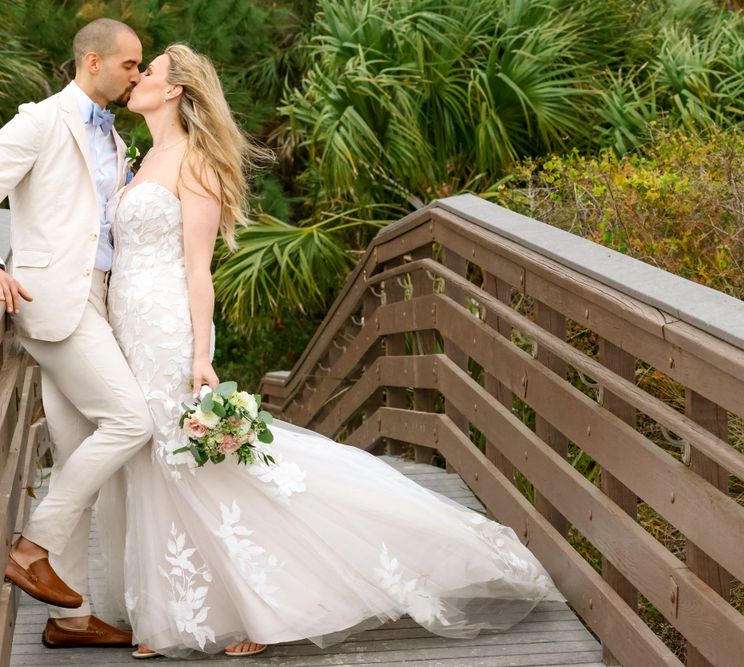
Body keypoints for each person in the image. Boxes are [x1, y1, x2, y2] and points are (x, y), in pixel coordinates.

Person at [101, 44, 567, 660]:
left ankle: (265, 607)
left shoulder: (197, 164)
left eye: (149, 72)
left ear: (177, 90)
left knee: (193, 453)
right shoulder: (139, 157)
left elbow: (198, 269)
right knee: (155, 459)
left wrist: (201, 357)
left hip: (166, 326)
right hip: (125, 324)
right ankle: (174, 614)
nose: (136, 80)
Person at [0, 18, 149, 649]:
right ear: (92, 61)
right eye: (130, 64)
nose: (137, 75)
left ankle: (71, 617)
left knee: (76, 452)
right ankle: (31, 546)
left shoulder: (113, 137)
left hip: (97, 299)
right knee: (130, 422)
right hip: (52, 302)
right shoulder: (40, 121)